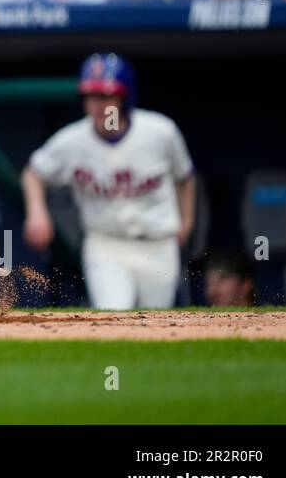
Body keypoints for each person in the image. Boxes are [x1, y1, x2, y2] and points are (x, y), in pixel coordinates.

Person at [22, 54, 195, 309]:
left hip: (158, 243)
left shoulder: (160, 131)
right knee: (113, 313)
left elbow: (185, 177)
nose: (99, 105)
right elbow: (33, 172)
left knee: (157, 322)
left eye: (106, 96)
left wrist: (187, 223)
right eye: (91, 97)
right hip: (106, 245)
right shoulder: (72, 141)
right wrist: (37, 213)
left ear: (125, 98)